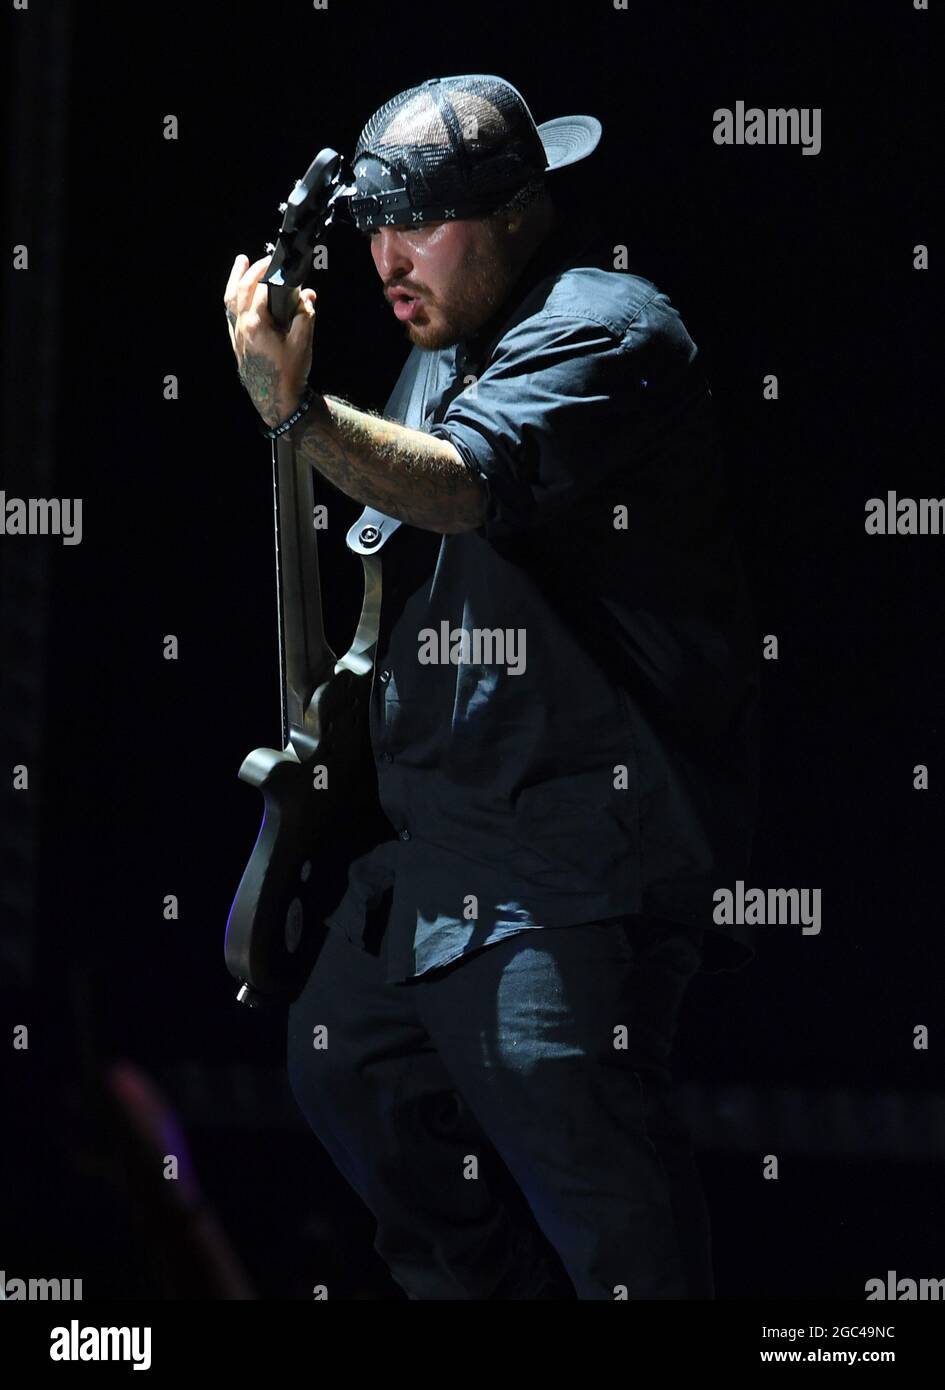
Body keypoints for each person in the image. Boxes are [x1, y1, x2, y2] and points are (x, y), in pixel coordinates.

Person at [223, 74, 760, 1299]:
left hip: (571, 866)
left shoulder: (608, 330)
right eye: (373, 226)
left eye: (421, 225)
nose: (386, 259)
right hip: (443, 856)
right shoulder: (439, 350)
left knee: (603, 1199)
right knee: (345, 1065)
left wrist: (296, 407)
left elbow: (463, 482)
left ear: (520, 210)